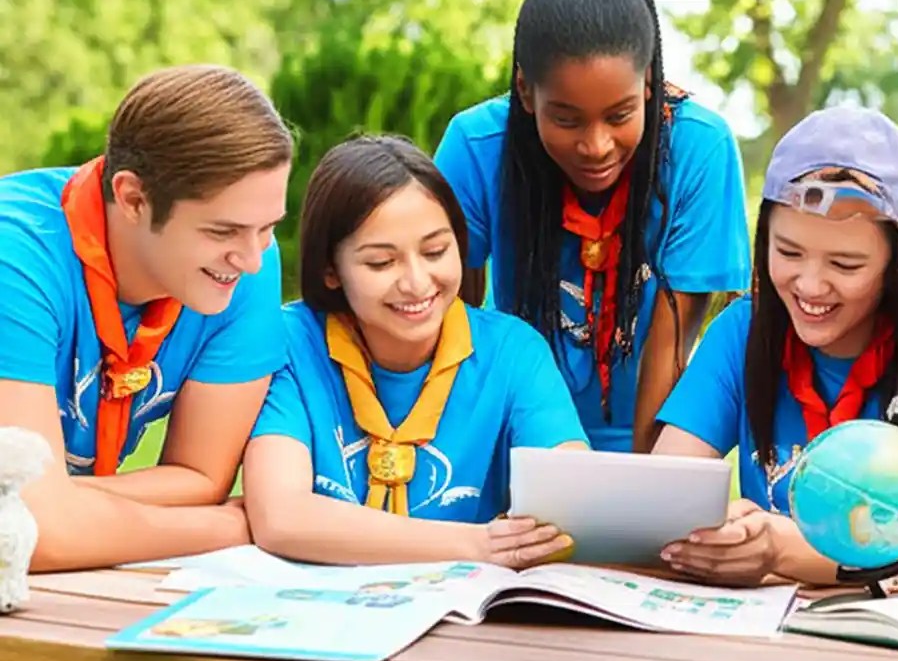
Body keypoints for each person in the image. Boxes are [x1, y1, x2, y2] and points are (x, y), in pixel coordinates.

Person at [651, 106, 898, 587]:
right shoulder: (742, 330)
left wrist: (778, 550)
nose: (810, 286)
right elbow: (663, 492)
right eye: (788, 252)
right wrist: (724, 539)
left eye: (845, 265)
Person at [242, 135, 587, 568]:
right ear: (330, 269)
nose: (417, 282)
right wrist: (475, 545)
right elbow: (280, 517)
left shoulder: (513, 352)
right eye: (381, 262)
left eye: (435, 251)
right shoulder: (291, 344)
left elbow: (573, 503)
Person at [0, 65, 292, 572]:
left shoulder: (246, 268)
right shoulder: (16, 256)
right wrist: (236, 528)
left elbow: (199, 478)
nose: (251, 259)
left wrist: (59, 502)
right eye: (222, 231)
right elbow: (29, 534)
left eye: (267, 227)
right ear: (133, 198)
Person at [434, 0, 752, 454]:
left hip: (648, 438)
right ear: (525, 91)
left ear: (648, 81)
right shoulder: (476, 147)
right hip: (514, 435)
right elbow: (451, 330)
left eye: (619, 115)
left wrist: (643, 487)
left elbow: (671, 348)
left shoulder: (699, 149)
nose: (596, 146)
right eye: (566, 119)